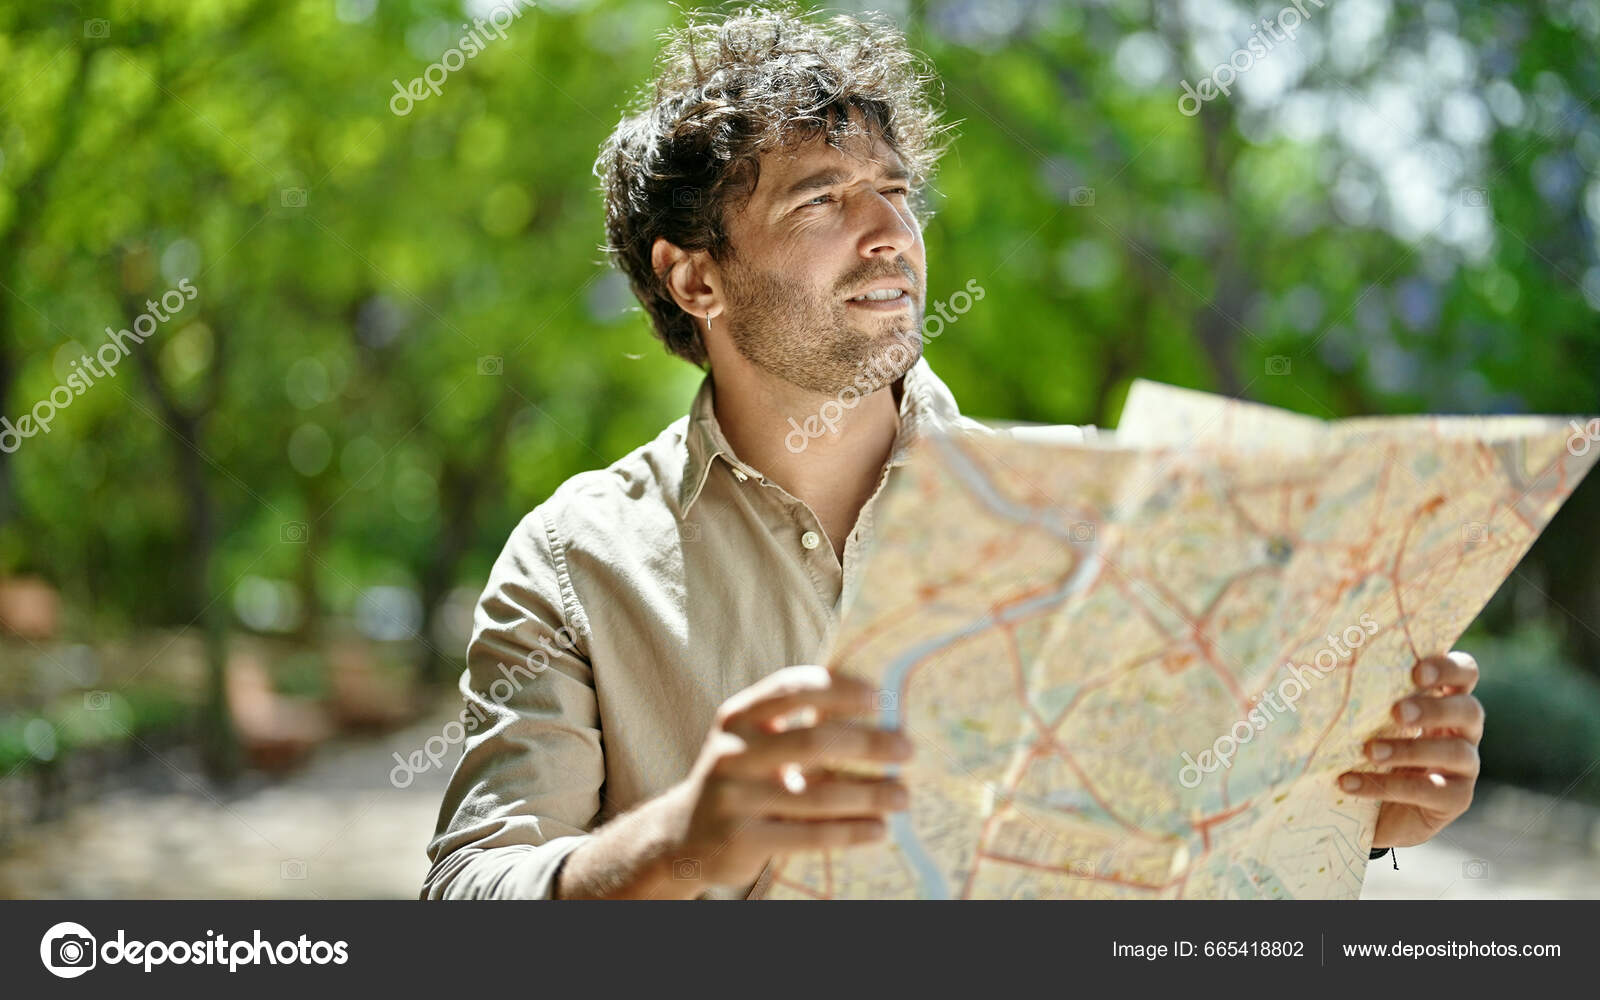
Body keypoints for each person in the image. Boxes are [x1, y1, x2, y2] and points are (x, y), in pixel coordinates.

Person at [421, 2, 1483, 900]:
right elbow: (466, 899)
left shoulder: (1105, 503)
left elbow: (1188, 844)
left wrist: (1361, 803)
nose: (890, 230)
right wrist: (678, 842)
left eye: (894, 188)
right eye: (822, 198)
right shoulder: (570, 560)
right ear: (695, 280)